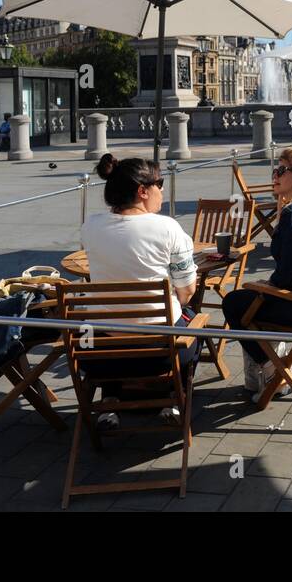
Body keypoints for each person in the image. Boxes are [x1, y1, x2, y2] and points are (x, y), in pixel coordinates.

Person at [81, 154, 200, 429]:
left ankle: (110, 402)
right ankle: (172, 399)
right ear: (142, 191)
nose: (161, 189)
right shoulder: (168, 228)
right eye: (159, 183)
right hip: (160, 353)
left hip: (100, 356)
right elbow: (187, 290)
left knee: (107, 320)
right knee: (194, 321)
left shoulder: (90, 227)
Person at [222, 149, 292, 401]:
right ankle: (273, 367)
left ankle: (274, 368)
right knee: (247, 298)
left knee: (232, 303)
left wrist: (269, 286)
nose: (275, 175)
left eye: (282, 170)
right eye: (275, 170)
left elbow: (291, 271)